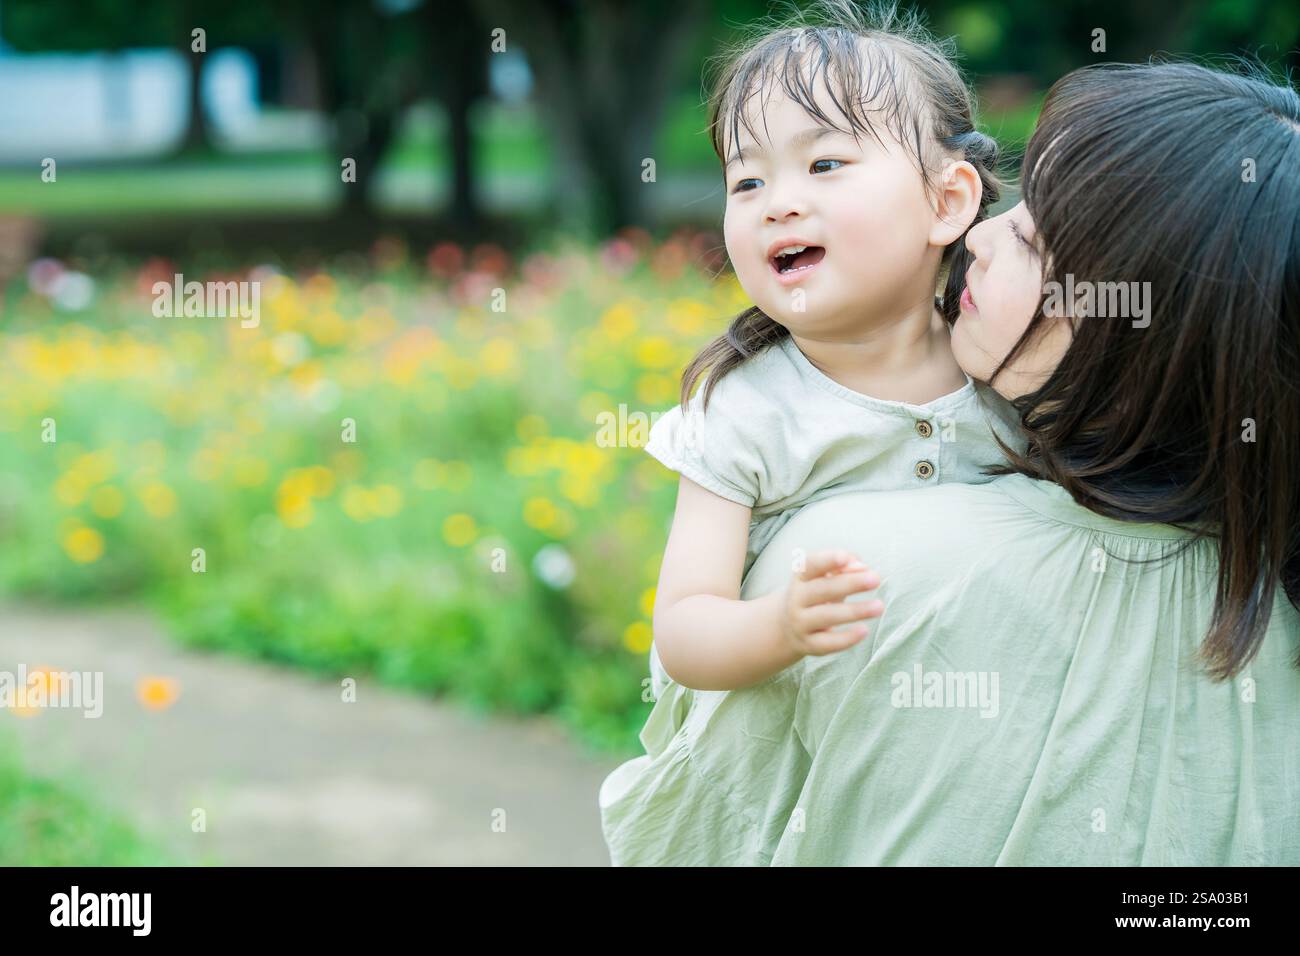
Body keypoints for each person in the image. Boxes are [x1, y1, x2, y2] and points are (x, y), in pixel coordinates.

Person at [599, 58, 1300, 865]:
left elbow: (716, 831)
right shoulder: (1260, 588)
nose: (985, 234)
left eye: (1036, 238)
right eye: (745, 181)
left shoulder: (870, 569)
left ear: (1146, 338)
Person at [645, 0, 1019, 707]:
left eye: (824, 163)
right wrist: (778, 626)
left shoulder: (1002, 364)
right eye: (747, 181)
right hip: (802, 765)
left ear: (947, 202)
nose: (778, 203)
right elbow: (685, 630)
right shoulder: (747, 408)